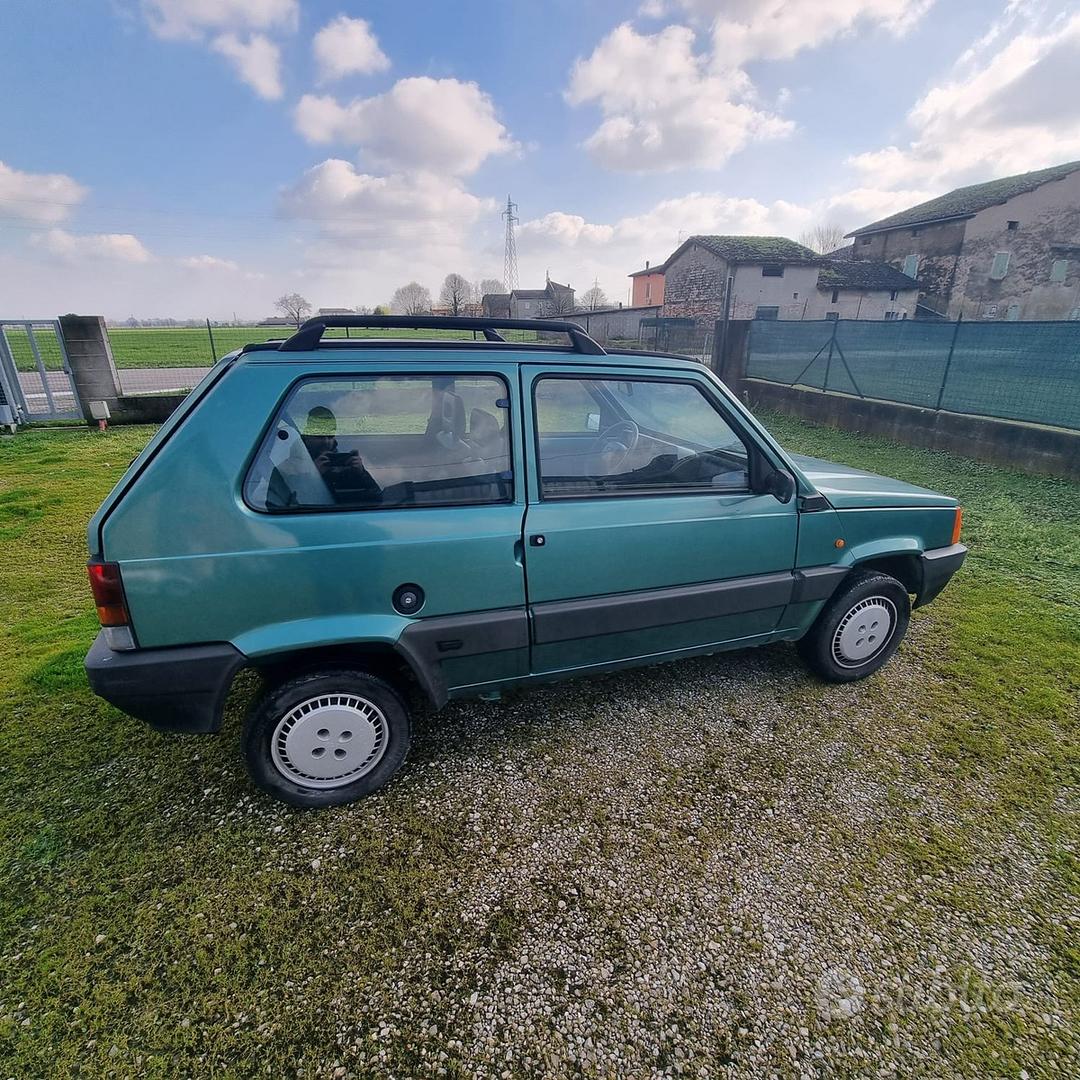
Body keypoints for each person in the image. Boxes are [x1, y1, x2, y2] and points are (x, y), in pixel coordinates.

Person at [301, 405, 380, 502]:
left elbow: (377, 499)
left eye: (330, 436)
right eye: (320, 436)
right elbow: (290, 499)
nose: (326, 441)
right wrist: (312, 475)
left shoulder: (344, 464)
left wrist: (361, 474)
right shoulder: (293, 464)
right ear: (306, 436)